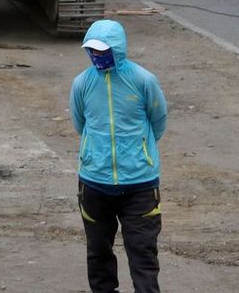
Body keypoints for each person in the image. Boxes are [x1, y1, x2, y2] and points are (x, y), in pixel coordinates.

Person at [71, 18, 168, 293]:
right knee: (98, 254)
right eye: (92, 50)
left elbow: (158, 120)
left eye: (102, 50)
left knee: (143, 255)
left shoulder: (143, 80)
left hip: (140, 185)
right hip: (95, 183)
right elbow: (80, 123)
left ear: (117, 49)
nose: (97, 56)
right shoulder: (82, 83)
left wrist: (139, 151)